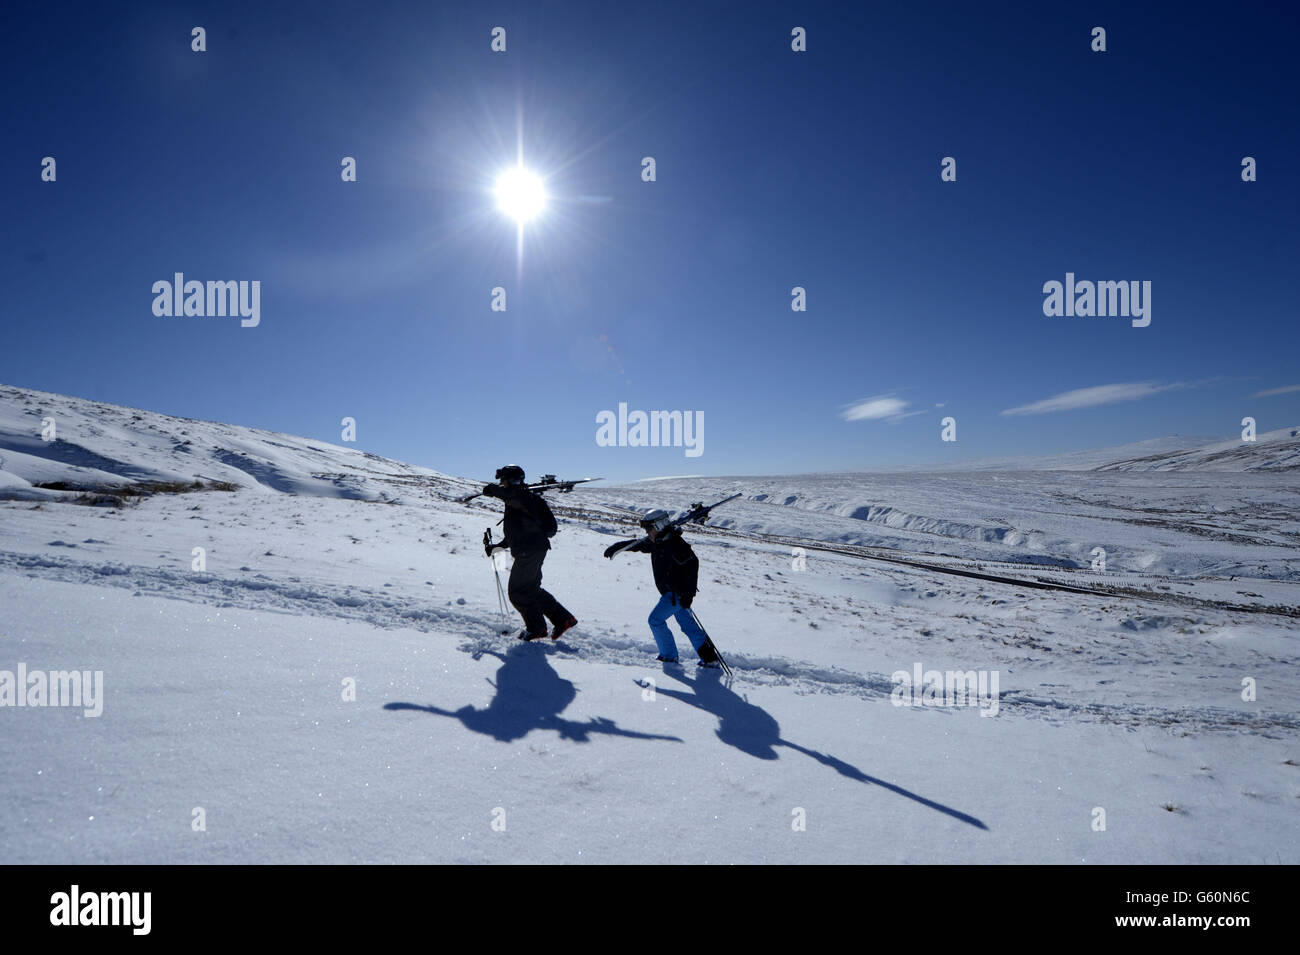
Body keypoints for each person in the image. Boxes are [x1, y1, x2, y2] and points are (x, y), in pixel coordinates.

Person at [603, 509, 722, 667]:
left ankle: (669, 656)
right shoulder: (658, 542)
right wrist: (618, 547)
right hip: (673, 594)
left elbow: (692, 564)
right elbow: (638, 545)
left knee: (655, 620)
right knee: (688, 625)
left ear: (659, 525)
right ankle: (710, 658)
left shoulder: (675, 544)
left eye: (648, 528)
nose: (647, 532)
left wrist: (688, 594)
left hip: (676, 595)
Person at [482, 465, 578, 641]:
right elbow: (517, 532)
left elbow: (510, 494)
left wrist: (492, 489)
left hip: (529, 551)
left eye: (502, 480)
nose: (501, 484)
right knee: (531, 589)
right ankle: (563, 619)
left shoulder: (519, 496)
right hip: (533, 549)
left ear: (509, 480)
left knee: (518, 592)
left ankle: (536, 629)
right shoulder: (522, 499)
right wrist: (497, 547)